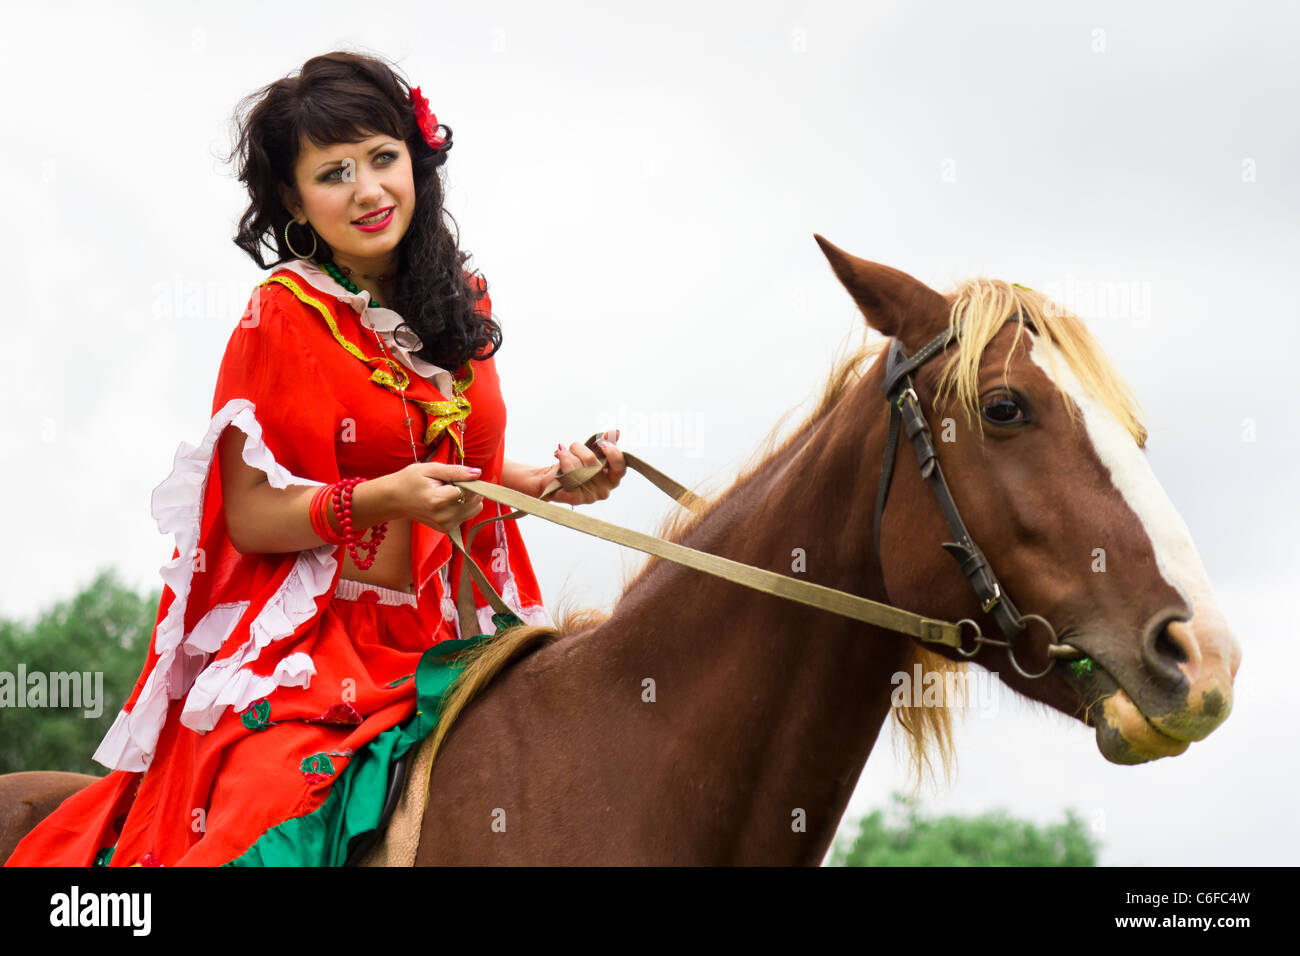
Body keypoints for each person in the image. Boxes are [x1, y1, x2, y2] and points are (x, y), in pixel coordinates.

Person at [5, 50, 624, 867]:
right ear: (295, 199)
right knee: (263, 829)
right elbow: (251, 516)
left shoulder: (460, 299)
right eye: (334, 172)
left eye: (382, 157)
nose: (368, 190)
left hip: (462, 634)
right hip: (314, 651)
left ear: (416, 158)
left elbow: (453, 465)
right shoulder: (280, 319)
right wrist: (379, 503)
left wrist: (547, 481)